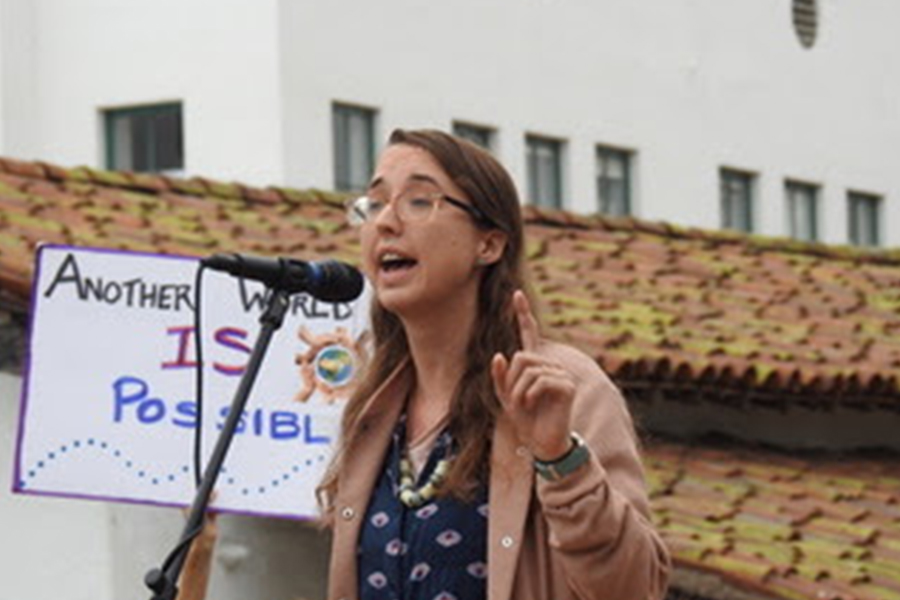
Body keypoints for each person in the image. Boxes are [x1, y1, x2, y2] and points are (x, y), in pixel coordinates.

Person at [317, 129, 670, 600]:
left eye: (420, 201)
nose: (386, 222)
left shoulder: (562, 388)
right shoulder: (373, 411)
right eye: (375, 203)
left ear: (489, 244)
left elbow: (637, 589)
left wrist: (561, 460)